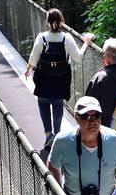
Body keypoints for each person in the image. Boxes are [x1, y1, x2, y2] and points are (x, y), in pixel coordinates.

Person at [24, 8, 94, 145]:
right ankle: (56, 134)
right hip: (60, 81)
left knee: (43, 104)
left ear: (47, 22)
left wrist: (27, 70)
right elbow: (78, 57)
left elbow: (33, 58)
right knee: (57, 106)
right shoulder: (66, 38)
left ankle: (48, 135)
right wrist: (86, 42)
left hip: (43, 80)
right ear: (61, 22)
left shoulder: (42, 37)